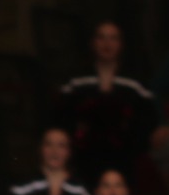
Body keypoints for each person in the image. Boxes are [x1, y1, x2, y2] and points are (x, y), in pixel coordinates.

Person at [57, 20, 157, 178]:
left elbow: (147, 120)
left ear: (121, 44)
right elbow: (61, 117)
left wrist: (133, 144)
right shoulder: (76, 80)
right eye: (101, 38)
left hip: (123, 157)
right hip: (83, 157)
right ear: (93, 43)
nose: (107, 43)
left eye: (113, 38)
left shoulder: (135, 83)